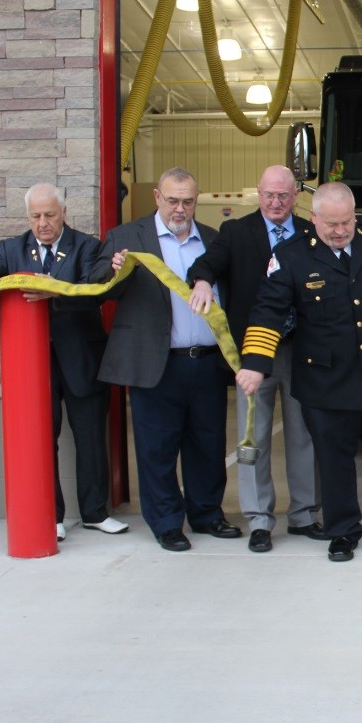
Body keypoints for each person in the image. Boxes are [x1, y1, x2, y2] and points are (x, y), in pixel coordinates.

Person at [235, 182, 362, 563]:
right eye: (331, 225)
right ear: (313, 218)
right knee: (334, 461)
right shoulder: (290, 256)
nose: (340, 232)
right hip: (325, 379)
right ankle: (342, 531)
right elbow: (267, 311)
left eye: (346, 223)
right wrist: (255, 365)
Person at [0, 182, 124, 542]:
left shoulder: (87, 246)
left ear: (64, 212)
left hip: (82, 358)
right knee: (41, 438)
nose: (43, 223)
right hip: (35, 367)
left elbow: (96, 293)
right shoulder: (11, 249)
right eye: (35, 216)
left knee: (91, 437)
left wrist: (56, 291)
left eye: (49, 215)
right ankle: (52, 516)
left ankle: (95, 512)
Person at [89, 167, 241, 552]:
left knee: (207, 444)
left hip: (206, 362)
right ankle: (167, 523)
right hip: (155, 363)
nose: (180, 208)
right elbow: (96, 289)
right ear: (157, 197)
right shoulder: (126, 238)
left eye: (188, 201)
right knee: (157, 449)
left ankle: (207, 515)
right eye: (172, 200)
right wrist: (116, 269)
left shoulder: (211, 240)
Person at [188, 165, 322, 554]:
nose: (276, 203)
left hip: (303, 350)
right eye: (269, 195)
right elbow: (206, 265)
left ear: (295, 196)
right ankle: (260, 520)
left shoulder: (311, 233)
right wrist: (201, 281)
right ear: (258, 195)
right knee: (254, 437)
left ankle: (304, 515)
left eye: (283, 195)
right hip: (254, 353)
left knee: (304, 436)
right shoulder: (235, 233)